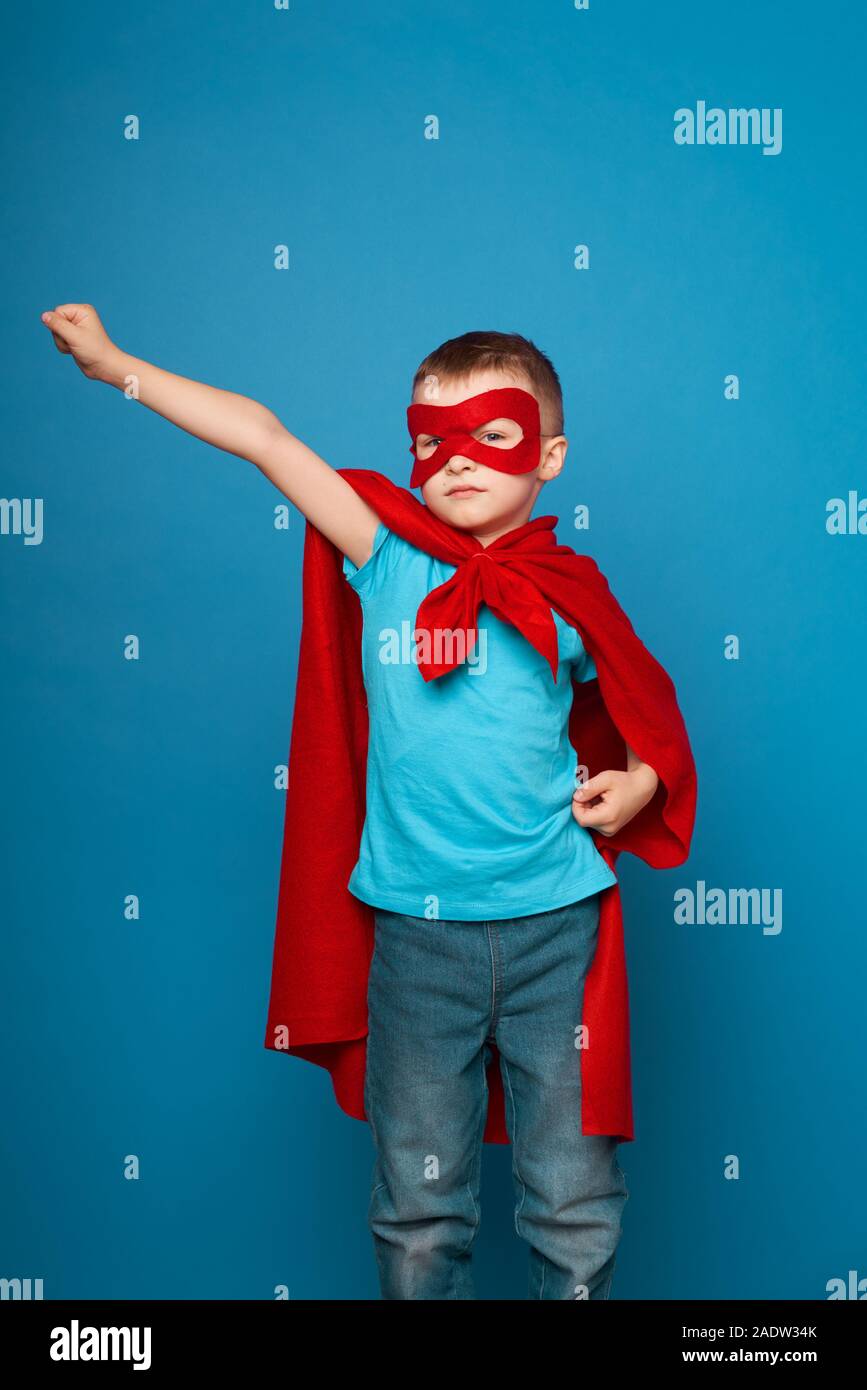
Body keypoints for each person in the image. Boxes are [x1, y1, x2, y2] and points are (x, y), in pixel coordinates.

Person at [40, 308, 694, 1299]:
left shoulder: (570, 590)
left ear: (550, 455)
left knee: (572, 1194)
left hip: (558, 930)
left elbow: (643, 712)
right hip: (419, 942)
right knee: (421, 1204)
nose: (457, 460)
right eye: (432, 442)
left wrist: (640, 780)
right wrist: (113, 364)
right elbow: (266, 438)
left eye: (493, 434)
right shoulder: (384, 557)